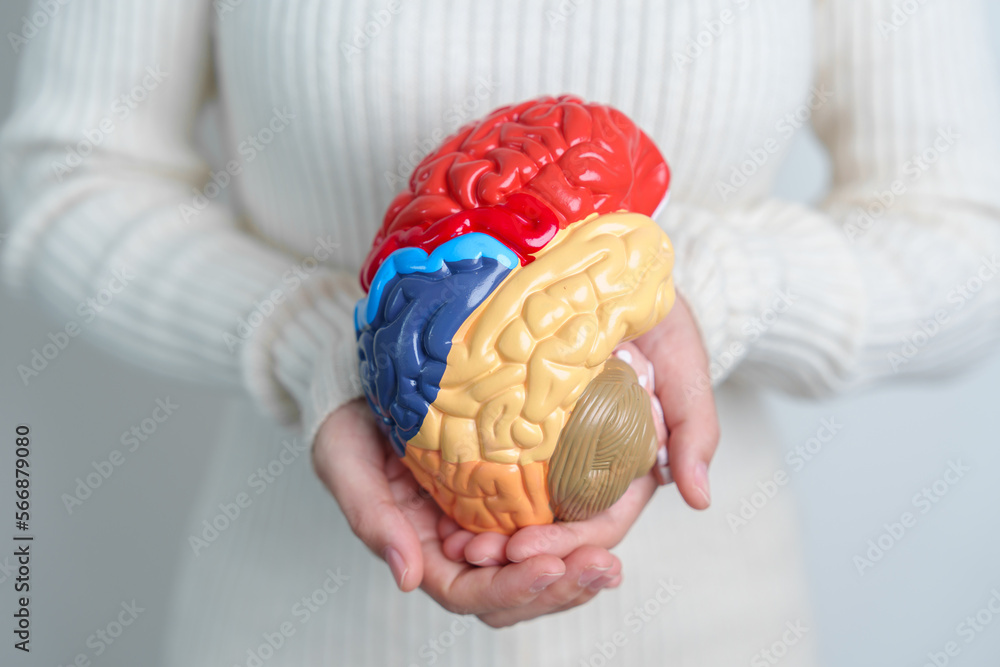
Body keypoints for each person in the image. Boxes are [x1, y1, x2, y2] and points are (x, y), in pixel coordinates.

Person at [3, 1, 999, 665]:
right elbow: (64, 181)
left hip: (707, 634)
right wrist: (315, 346)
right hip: (284, 629)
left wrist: (708, 290)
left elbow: (965, 237)